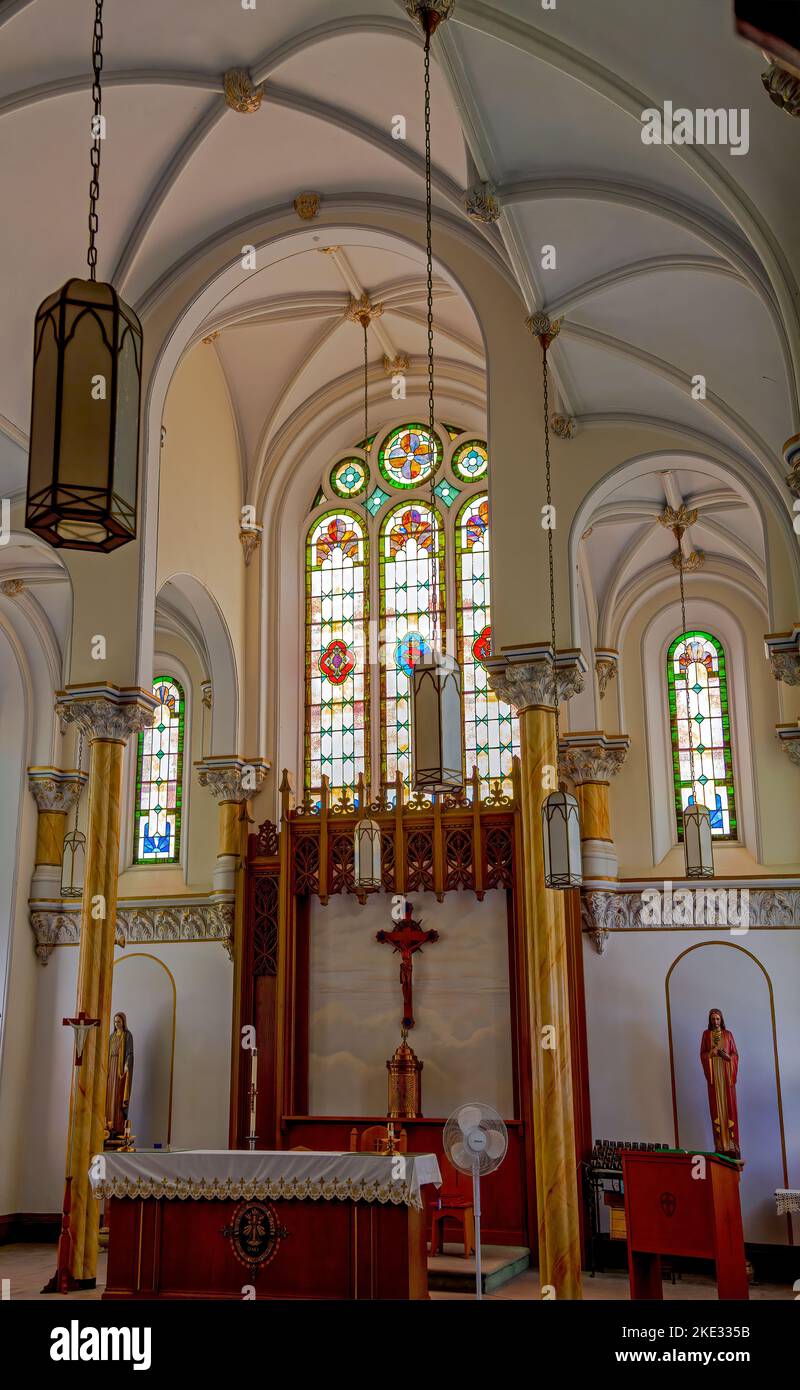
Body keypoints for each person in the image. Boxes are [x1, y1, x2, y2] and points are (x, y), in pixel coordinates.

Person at [700, 1007, 740, 1158]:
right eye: (713, 1019)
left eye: (717, 1019)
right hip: (714, 1077)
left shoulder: (728, 1034)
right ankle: (720, 1145)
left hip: (725, 1075)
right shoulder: (706, 1035)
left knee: (728, 1107)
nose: (715, 1021)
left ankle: (731, 1145)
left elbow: (735, 1054)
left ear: (721, 1020)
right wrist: (711, 1053)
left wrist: (728, 1058)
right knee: (717, 1108)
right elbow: (702, 1053)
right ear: (710, 1020)